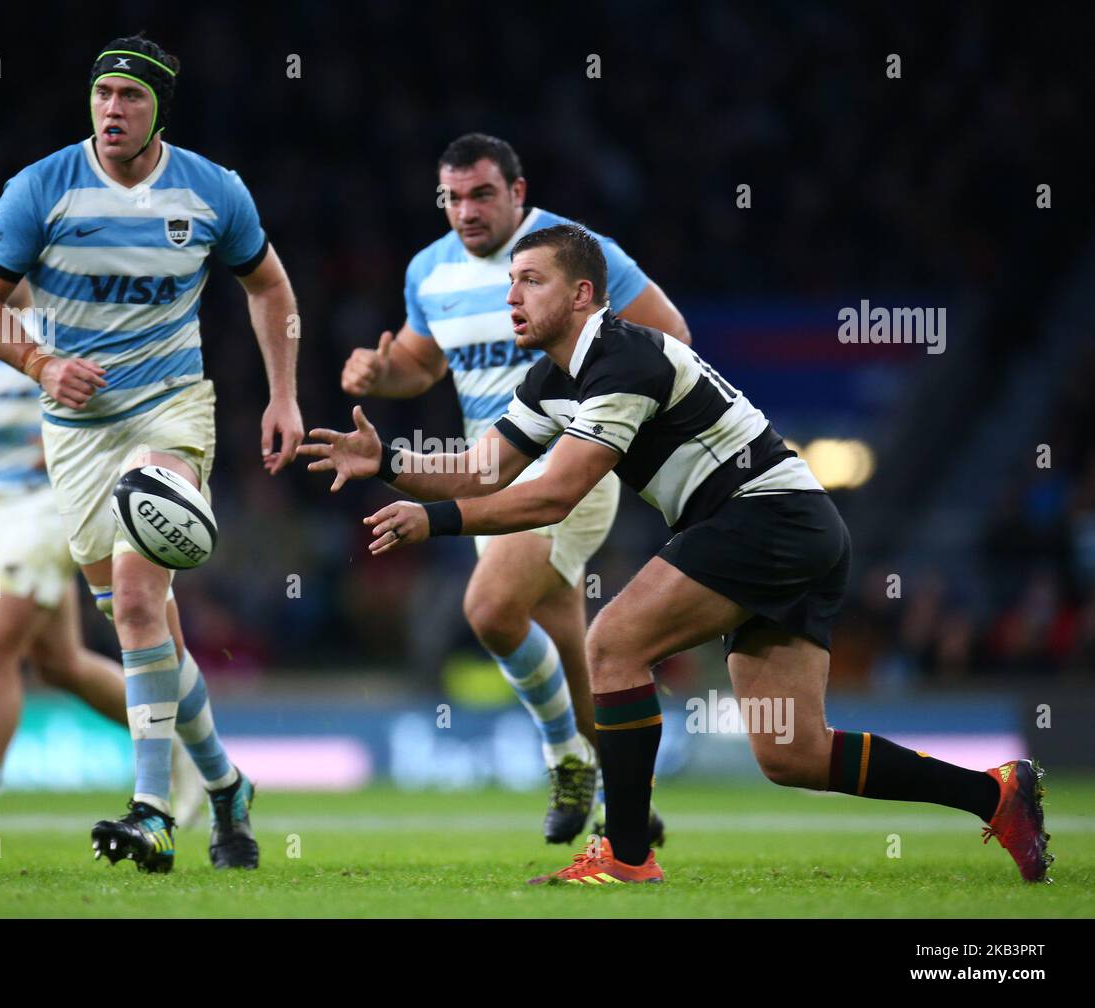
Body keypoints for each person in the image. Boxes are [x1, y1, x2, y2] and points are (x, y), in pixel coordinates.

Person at [302, 223, 1051, 886]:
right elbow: (488, 467)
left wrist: (430, 523)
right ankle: (996, 794)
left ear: (584, 294)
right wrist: (388, 459)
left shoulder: (624, 359)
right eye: (510, 284)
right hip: (789, 527)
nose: (513, 297)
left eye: (531, 281)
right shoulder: (554, 377)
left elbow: (553, 495)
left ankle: (626, 853)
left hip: (765, 517)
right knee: (793, 753)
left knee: (613, 643)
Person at [0, 34, 304, 872]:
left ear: (158, 113)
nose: (113, 109)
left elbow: (270, 287)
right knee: (147, 630)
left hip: (172, 411)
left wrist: (284, 395)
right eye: (103, 94)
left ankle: (152, 810)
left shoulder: (213, 191)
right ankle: (226, 786)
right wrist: (42, 362)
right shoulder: (38, 189)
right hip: (74, 432)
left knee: (143, 599)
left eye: (131, 97)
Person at [341, 134, 687, 844]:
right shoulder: (428, 272)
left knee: (490, 607)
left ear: (518, 192)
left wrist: (607, 415)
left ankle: (564, 758)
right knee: (571, 646)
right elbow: (420, 363)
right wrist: (381, 376)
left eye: (482, 195)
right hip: (490, 463)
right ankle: (622, 795)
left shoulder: (575, 253)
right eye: (453, 197)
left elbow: (671, 333)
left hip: (571, 463)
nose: (465, 211)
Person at [0, 279, 202, 842]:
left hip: (59, 502)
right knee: (58, 664)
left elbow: (122, 400)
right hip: (4, 504)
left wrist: (75, 434)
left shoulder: (71, 325)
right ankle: (181, 746)